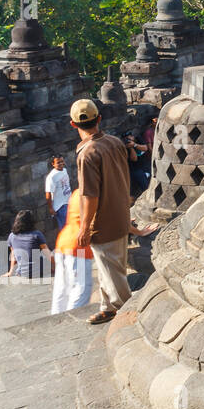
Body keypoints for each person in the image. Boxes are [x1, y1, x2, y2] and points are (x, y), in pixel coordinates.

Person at [70, 98, 134, 325]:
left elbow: (90, 195)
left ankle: (131, 314)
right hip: (120, 214)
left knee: (113, 274)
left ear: (73, 124)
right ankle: (107, 307)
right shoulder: (114, 142)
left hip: (103, 221)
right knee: (110, 268)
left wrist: (85, 227)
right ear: (99, 119)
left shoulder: (87, 153)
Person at [50, 190, 95, 314]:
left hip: (63, 241)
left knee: (62, 289)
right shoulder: (92, 194)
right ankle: (73, 321)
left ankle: (56, 320)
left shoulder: (76, 193)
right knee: (81, 289)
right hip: (78, 246)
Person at [3, 210, 54, 280]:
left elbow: (13, 256)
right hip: (39, 272)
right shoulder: (36, 234)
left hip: (23, 273)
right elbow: (47, 254)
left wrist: (10, 272)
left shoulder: (11, 236)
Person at [44, 155, 72, 232]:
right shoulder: (52, 177)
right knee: (66, 230)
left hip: (69, 202)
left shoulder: (64, 170)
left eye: (62, 161)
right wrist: (50, 208)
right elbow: (48, 193)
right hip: (61, 206)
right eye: (58, 162)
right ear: (53, 164)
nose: (61, 164)